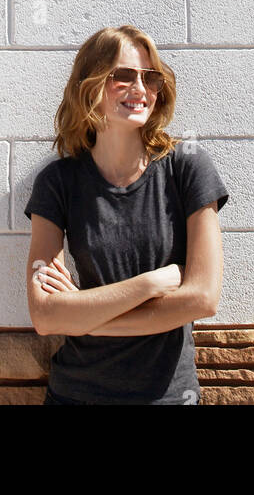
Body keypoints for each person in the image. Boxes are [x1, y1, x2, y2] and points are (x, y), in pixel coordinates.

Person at [24, 23, 229, 405]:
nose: (140, 89)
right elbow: (46, 316)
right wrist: (154, 282)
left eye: (150, 78)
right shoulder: (58, 183)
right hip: (76, 395)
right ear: (91, 84)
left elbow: (202, 298)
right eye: (123, 75)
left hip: (166, 397)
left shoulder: (187, 168)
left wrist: (86, 317)